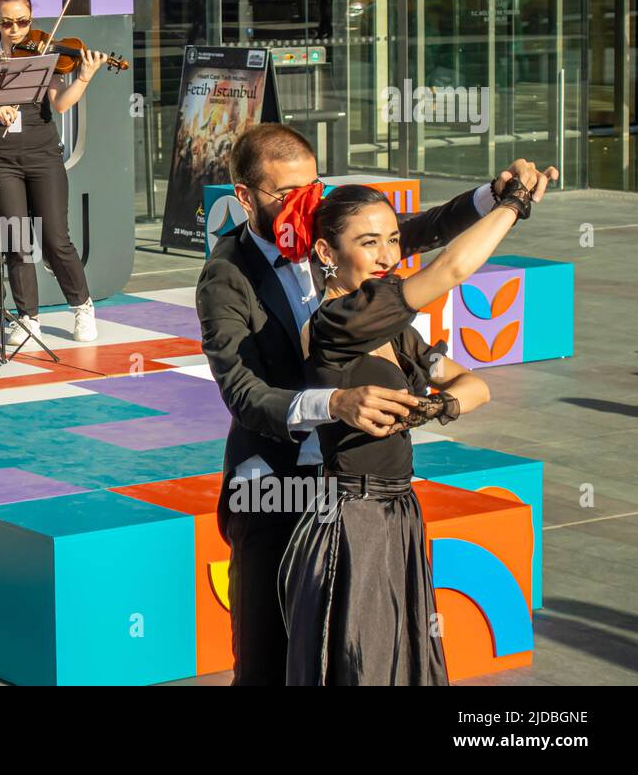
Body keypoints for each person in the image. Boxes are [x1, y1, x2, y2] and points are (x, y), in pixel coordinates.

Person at [195, 123, 557, 684]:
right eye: (287, 195)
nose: (306, 204)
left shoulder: (327, 234)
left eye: (313, 189)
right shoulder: (226, 274)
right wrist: (333, 402)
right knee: (269, 659)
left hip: (357, 493)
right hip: (274, 487)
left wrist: (496, 194)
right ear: (245, 197)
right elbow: (244, 396)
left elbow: (412, 234)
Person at [279, 177, 533, 684]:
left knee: (405, 660)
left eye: (393, 239)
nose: (386, 255)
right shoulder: (335, 323)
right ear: (327, 251)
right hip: (353, 522)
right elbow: (452, 267)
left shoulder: (397, 332)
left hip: (400, 514)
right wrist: (514, 205)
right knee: (363, 663)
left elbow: (473, 384)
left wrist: (433, 406)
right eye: (368, 242)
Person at [0, 0, 104, 346]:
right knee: (16, 240)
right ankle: (28, 318)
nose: (16, 30)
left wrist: (83, 76)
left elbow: (62, 104)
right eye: (8, 23)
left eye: (23, 22)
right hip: (1, 158)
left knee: (55, 239)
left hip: (43, 155)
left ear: (31, 19)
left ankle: (82, 305)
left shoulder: (43, 56)